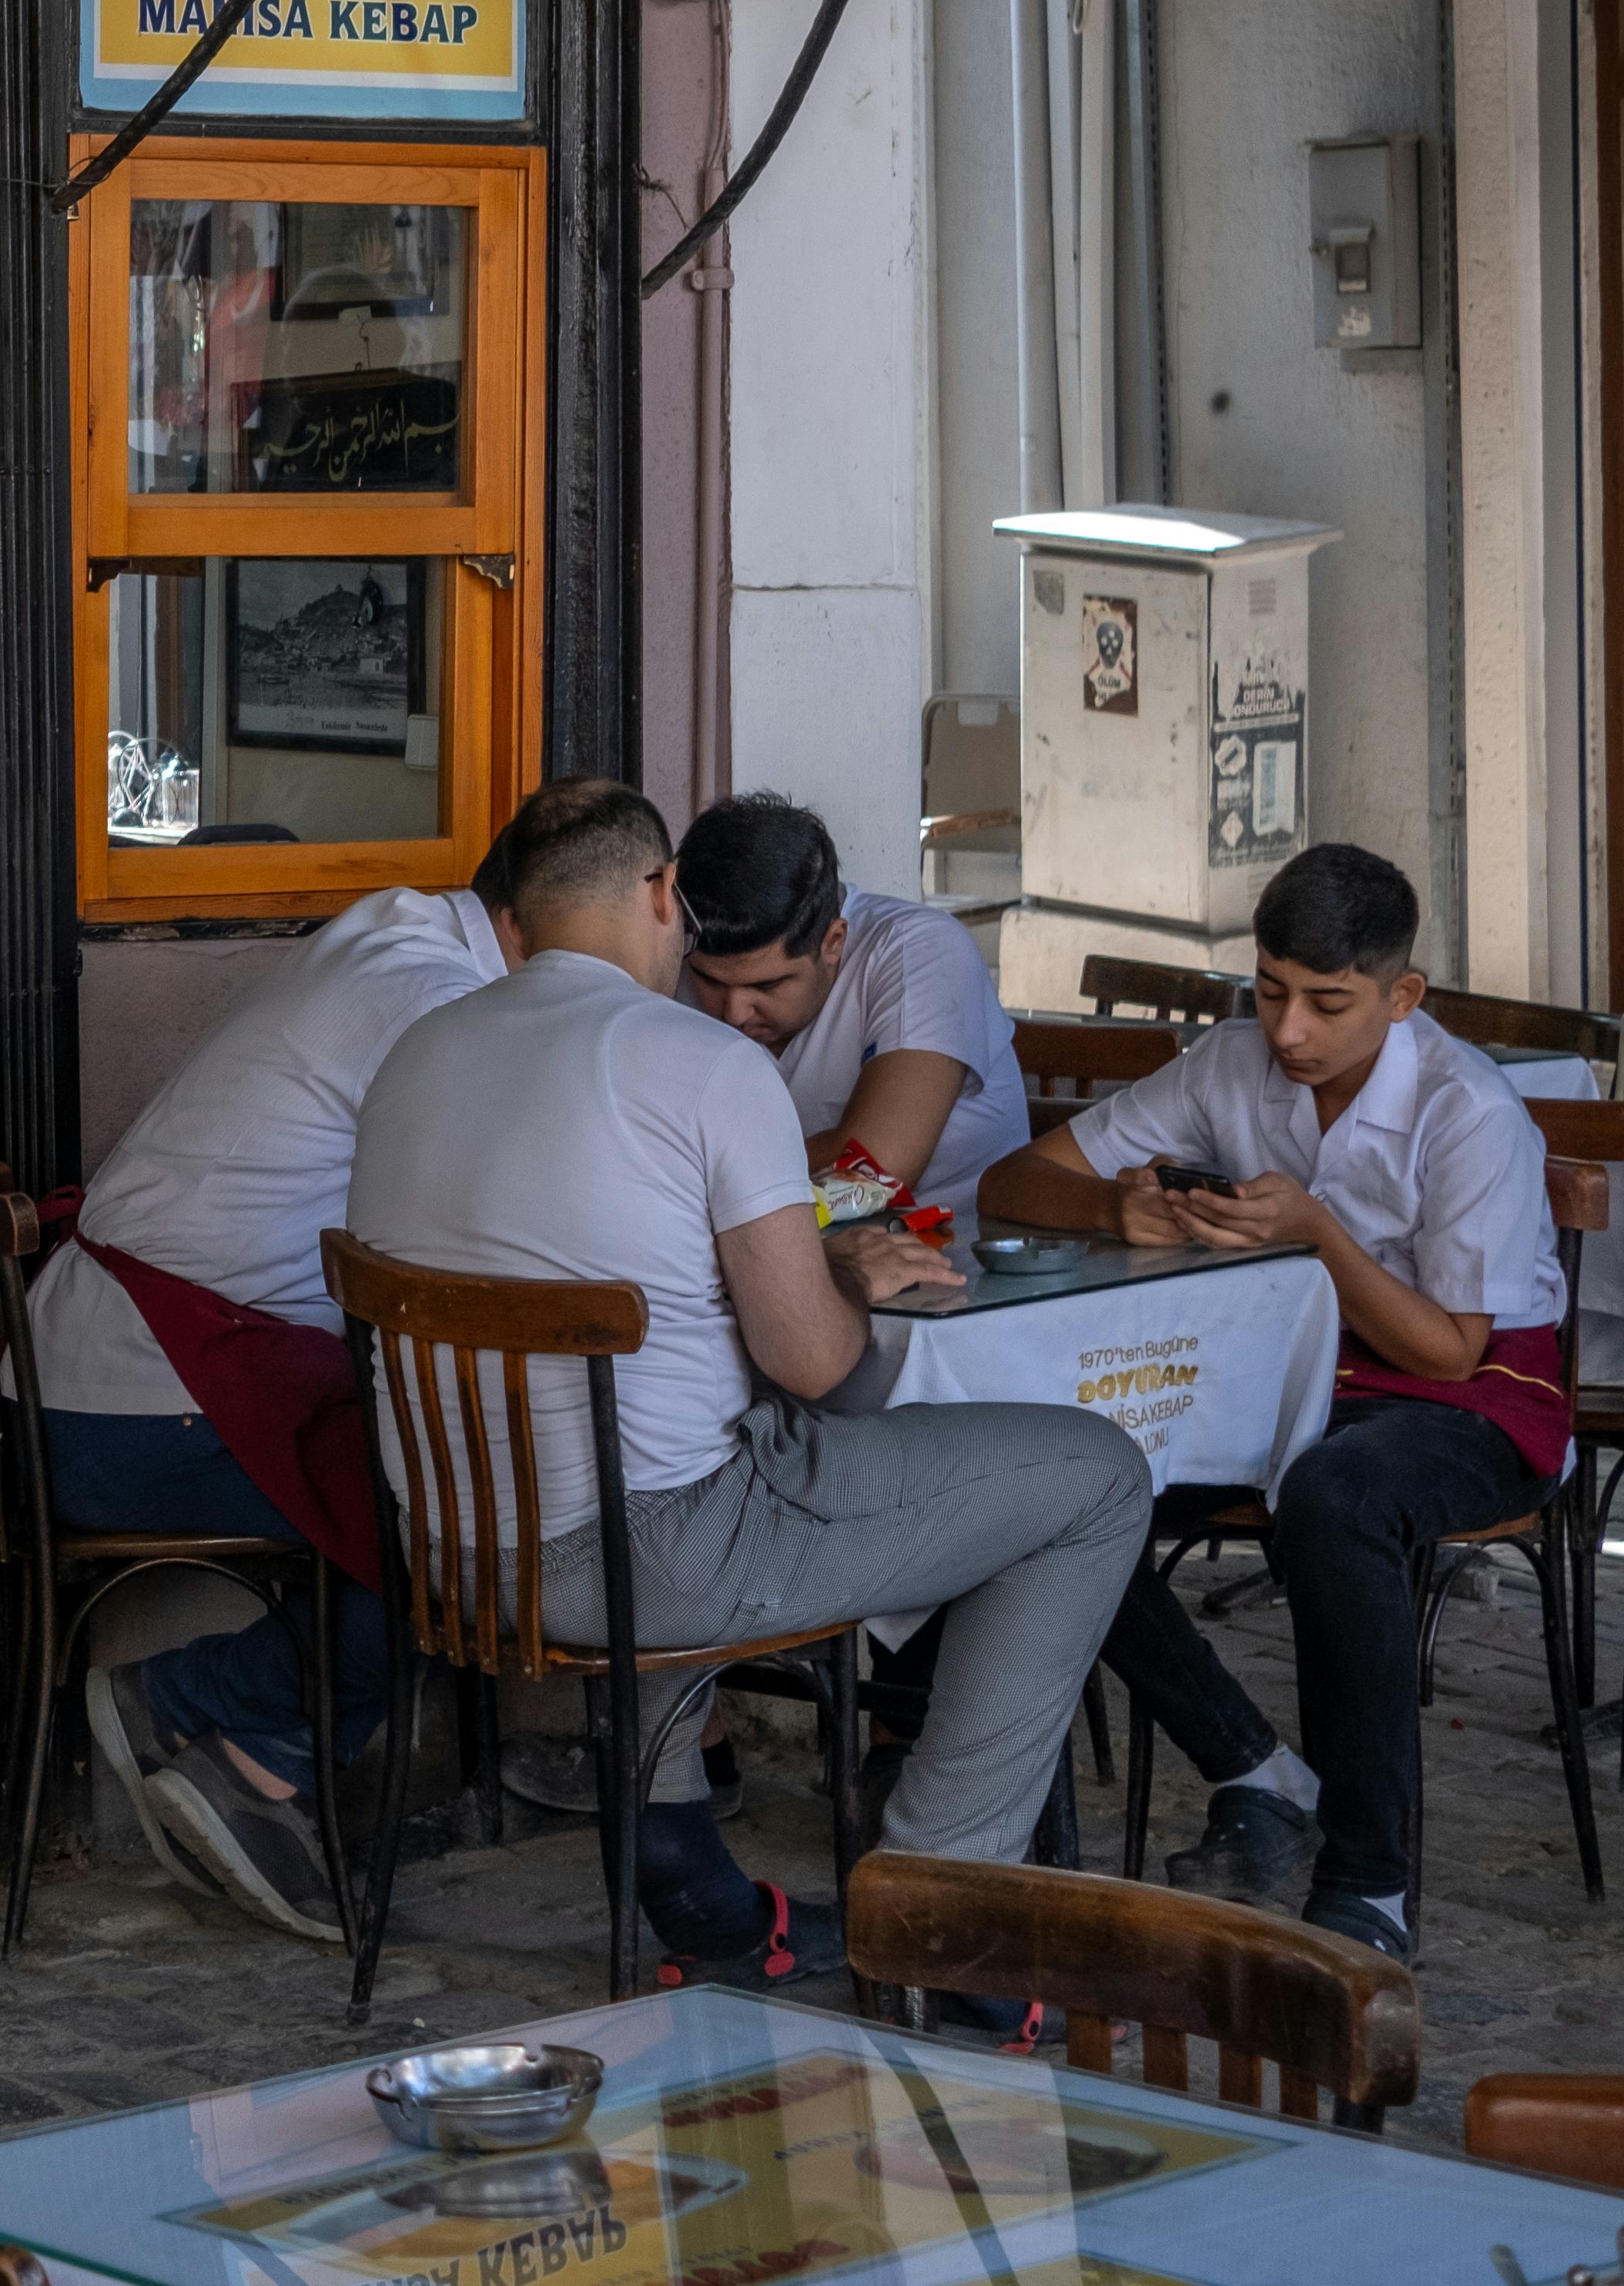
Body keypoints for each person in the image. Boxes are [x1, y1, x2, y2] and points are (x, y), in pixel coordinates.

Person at [347, 783, 1148, 1981]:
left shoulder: (418, 1049)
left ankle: (688, 1885)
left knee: (673, 1430)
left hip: (454, 1551)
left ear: (512, 917)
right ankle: (946, 1908)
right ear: (663, 894)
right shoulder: (700, 1064)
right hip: (644, 1559)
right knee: (1094, 1476)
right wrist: (839, 1272)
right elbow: (814, 1362)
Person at [30, 781, 622, 1938]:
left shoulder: (399, 928)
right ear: (538, 920)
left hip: (103, 1374)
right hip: (140, 1407)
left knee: (453, 1464)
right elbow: (504, 1233)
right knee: (465, 1507)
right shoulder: (439, 1002)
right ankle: (233, 1724)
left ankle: (228, 1724)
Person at [976, 843, 1564, 1963]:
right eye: (1269, 990)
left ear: (1401, 996)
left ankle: (1367, 1879)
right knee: (1056, 1481)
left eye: (1326, 1002)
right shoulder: (1228, 1063)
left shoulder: (1466, 1108)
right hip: (1272, 1370)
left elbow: (1445, 1351)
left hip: (1470, 1399)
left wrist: (1316, 1236)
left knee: (1332, 1496)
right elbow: (1012, 1182)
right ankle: (1250, 1765)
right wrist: (1114, 1210)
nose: (1288, 1030)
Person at [678, 794, 1032, 1223]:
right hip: (766, 1254)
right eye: (710, 981)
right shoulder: (675, 953)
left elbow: (879, 1169)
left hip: (960, 1264)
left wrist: (695, 1182)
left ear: (834, 943)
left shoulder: (920, 951)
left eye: (767, 984)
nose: (733, 1013)